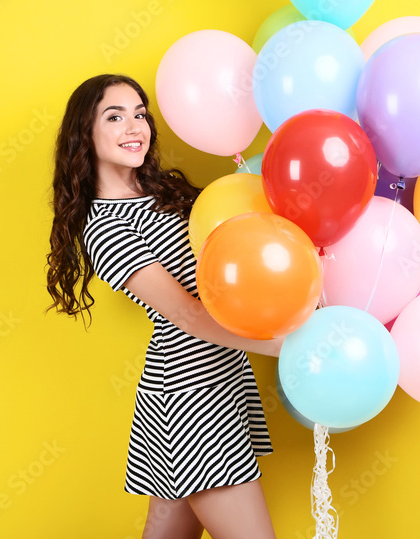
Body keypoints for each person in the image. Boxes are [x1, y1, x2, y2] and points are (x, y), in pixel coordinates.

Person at [45, 73, 282, 538]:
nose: (134, 126)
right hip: (190, 405)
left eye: (140, 114)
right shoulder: (106, 230)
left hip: (217, 384)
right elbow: (191, 314)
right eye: (115, 117)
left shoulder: (161, 194)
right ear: (85, 134)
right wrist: (286, 347)